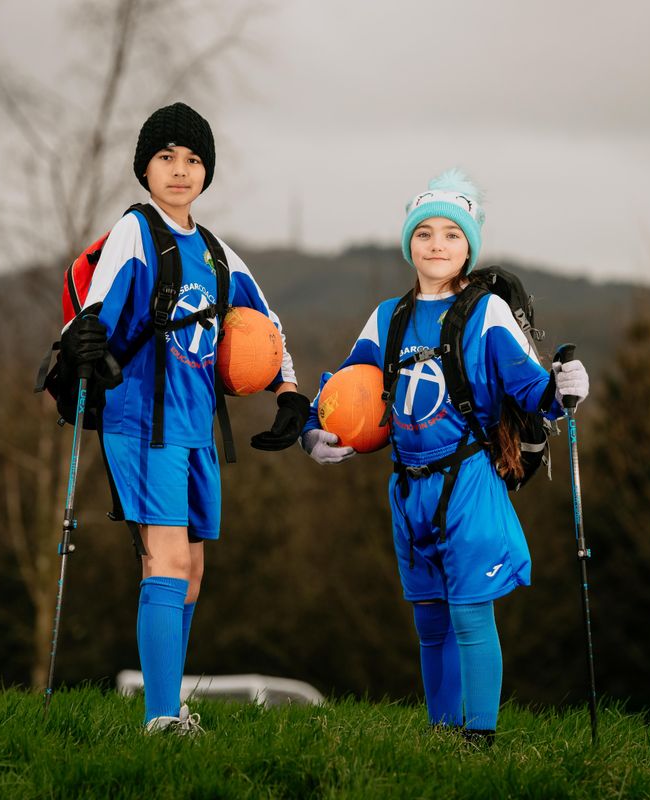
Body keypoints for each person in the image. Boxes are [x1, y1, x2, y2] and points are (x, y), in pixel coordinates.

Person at [300, 168, 590, 744]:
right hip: (408, 487)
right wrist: (312, 430)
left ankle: (478, 740)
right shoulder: (388, 316)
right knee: (430, 619)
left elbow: (532, 391)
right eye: (425, 232)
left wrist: (564, 389)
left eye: (452, 234)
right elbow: (346, 386)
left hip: (469, 480)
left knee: (470, 613)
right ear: (409, 242)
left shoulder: (487, 312)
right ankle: (441, 736)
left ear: (469, 246)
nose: (437, 245)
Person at [59, 102, 310, 734]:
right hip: (142, 421)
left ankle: (170, 702)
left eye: (193, 159)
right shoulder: (135, 231)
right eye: (166, 157)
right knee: (166, 562)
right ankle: (162, 718)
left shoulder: (219, 254)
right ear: (144, 168)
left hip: (197, 428)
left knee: (192, 574)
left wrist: (288, 392)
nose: (179, 170)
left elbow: (268, 325)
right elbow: (92, 311)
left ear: (207, 172)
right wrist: (80, 344)